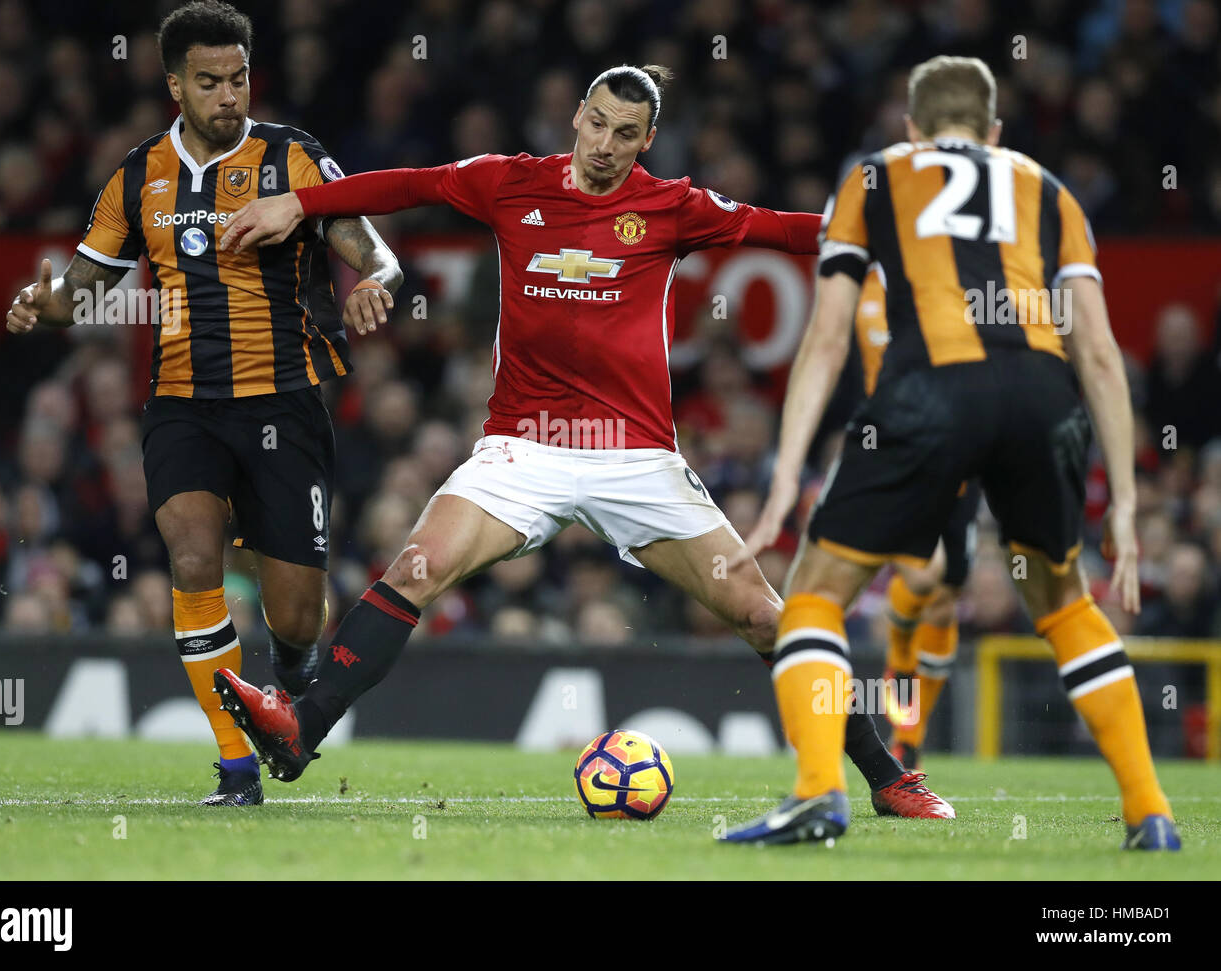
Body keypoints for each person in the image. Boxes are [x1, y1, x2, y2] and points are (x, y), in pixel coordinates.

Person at [213, 64, 952, 819]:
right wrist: (297, 203)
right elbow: (407, 185)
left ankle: (890, 777)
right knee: (417, 564)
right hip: (522, 449)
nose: (605, 144)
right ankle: (300, 729)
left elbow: (785, 229)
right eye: (596, 123)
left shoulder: (674, 207)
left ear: (648, 139)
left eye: (625, 133)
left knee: (765, 615)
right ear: (576, 115)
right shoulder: (508, 183)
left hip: (635, 457)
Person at [726, 55, 1178, 850]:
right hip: (1043, 399)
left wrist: (785, 473)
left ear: (910, 129)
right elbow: (1101, 352)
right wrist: (1129, 506)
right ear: (996, 130)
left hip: (928, 399)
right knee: (1065, 603)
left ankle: (819, 794)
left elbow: (826, 337)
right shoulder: (1051, 189)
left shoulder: (875, 176)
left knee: (815, 596)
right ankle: (1151, 814)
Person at [5, 0, 402, 807]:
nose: (230, 95)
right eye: (211, 82)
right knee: (192, 555)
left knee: (295, 617)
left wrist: (379, 285)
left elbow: (371, 248)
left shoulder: (293, 158)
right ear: (175, 86)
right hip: (183, 405)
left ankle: (291, 681)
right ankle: (234, 767)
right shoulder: (135, 175)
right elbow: (83, 291)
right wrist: (40, 305)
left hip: (284, 404)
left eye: (240, 79)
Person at [855, 265, 977, 769]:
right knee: (924, 574)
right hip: (899, 449)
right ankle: (900, 652)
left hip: (964, 449)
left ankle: (909, 737)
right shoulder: (868, 287)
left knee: (945, 600)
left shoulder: (957, 276)